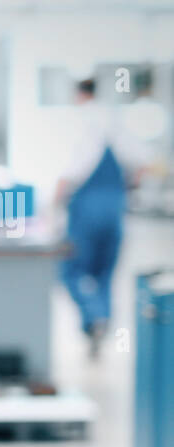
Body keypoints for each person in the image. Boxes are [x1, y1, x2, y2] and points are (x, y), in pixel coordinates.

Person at [56, 77, 144, 359]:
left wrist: (57, 197)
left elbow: (75, 167)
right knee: (105, 274)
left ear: (79, 94)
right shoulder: (118, 123)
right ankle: (102, 320)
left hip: (86, 210)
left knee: (71, 270)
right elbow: (141, 165)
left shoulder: (82, 121)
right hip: (115, 210)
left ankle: (92, 317)